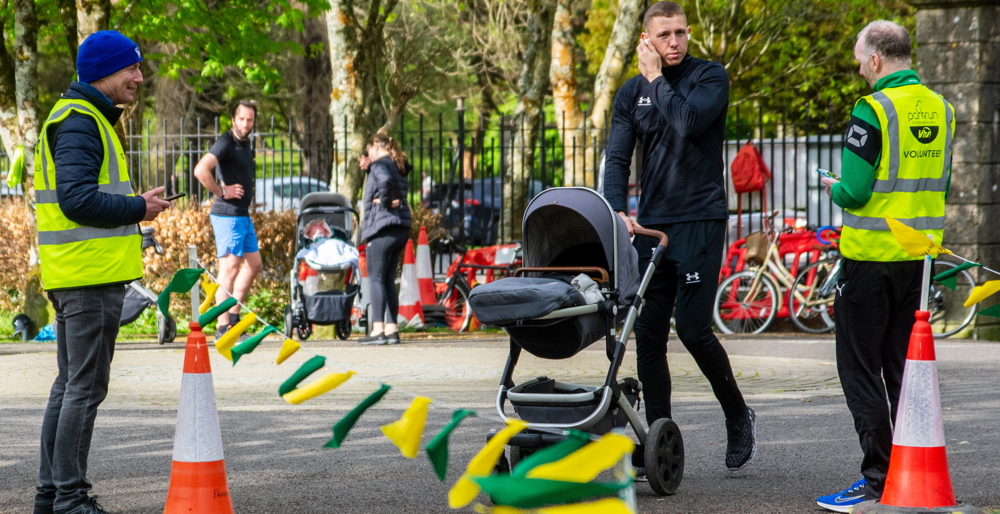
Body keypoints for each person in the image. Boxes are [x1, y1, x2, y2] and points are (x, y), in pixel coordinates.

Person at [602, 1, 756, 472]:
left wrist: (655, 79)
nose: (674, 42)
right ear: (646, 40)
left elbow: (687, 122)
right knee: (648, 333)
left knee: (691, 329)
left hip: (700, 220)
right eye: (664, 35)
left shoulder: (709, 77)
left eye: (680, 33)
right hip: (652, 227)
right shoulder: (630, 94)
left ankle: (737, 413)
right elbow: (617, 158)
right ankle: (658, 439)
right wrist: (617, 210)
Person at [816, 20, 955, 513]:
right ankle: (912, 472)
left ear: (875, 60)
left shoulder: (872, 109)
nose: (859, 68)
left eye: (860, 60)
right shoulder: (942, 109)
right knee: (903, 370)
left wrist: (833, 187)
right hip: (918, 260)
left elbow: (854, 191)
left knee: (858, 368)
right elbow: (941, 183)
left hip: (870, 259)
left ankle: (877, 477)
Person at [33, 31, 171, 514]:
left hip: (77, 274)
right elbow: (76, 200)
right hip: (88, 278)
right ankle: (70, 499)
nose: (139, 77)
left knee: (70, 387)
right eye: (131, 68)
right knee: (84, 389)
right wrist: (137, 208)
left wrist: (135, 205)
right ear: (105, 72)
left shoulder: (81, 116)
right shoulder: (80, 121)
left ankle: (52, 496)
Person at [193, 100, 262, 338]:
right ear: (233, 120)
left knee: (254, 265)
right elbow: (201, 170)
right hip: (227, 216)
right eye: (241, 119)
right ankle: (222, 327)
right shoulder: (226, 141)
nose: (245, 124)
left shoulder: (246, 143)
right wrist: (222, 192)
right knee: (229, 269)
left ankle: (233, 319)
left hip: (242, 215)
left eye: (250, 120)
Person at [357, 133, 413, 345]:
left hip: (382, 228)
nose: (368, 154)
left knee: (376, 278)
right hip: (400, 229)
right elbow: (387, 179)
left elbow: (384, 180)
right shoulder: (397, 164)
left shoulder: (379, 165)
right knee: (388, 280)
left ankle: (377, 329)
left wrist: (386, 201)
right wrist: (368, 170)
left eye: (368, 150)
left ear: (375, 146)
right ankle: (391, 329)